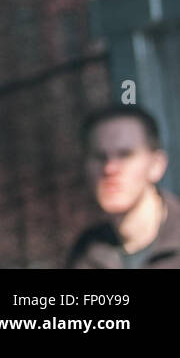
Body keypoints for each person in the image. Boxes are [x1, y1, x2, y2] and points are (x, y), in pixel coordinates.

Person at [68, 104, 178, 268]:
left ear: (156, 165)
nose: (109, 168)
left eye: (125, 155)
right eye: (100, 157)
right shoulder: (86, 253)